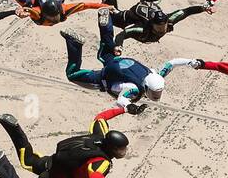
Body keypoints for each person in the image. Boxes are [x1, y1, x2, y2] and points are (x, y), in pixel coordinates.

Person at [0, 110, 130, 178]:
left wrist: (123, 109)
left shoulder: (99, 135)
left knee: (28, 161)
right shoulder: (102, 161)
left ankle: (14, 129)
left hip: (52, 163)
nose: (123, 152)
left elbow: (101, 117)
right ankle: (3, 167)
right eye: (121, 149)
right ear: (112, 148)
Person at [60, 9, 190, 110]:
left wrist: (193, 62)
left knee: (107, 46)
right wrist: (130, 107)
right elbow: (122, 98)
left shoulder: (155, 74)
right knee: (72, 75)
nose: (157, 95)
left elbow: (173, 63)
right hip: (103, 77)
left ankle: (106, 21)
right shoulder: (134, 88)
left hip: (121, 63)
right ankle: (74, 44)